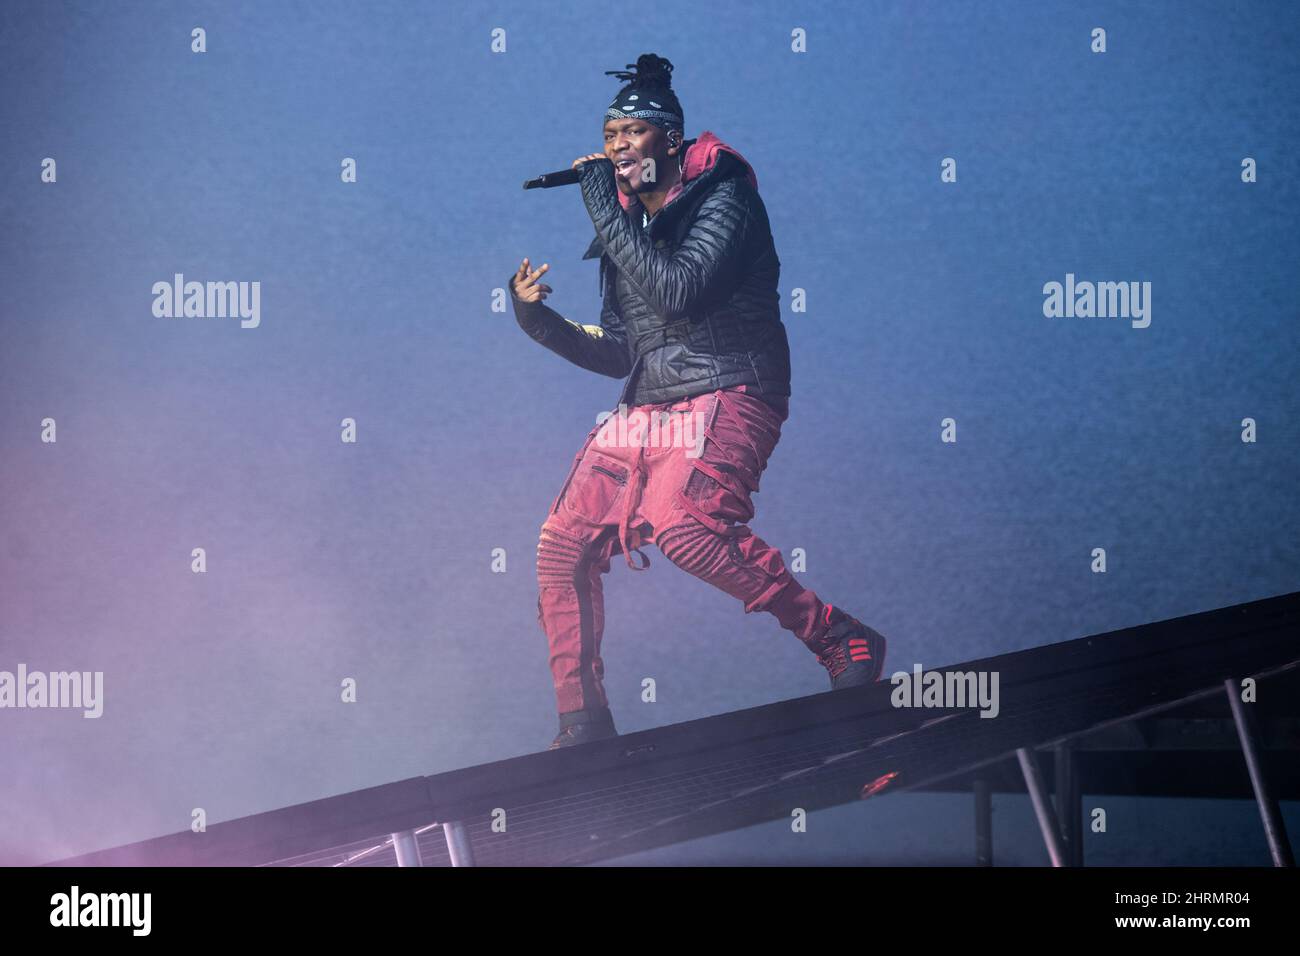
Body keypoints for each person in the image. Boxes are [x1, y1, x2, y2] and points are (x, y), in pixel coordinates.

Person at [508, 53, 888, 750]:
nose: (616, 145)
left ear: (670, 141)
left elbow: (681, 291)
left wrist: (600, 203)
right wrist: (536, 320)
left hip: (729, 387)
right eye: (609, 132)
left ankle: (837, 634)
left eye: (631, 132)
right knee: (561, 546)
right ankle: (583, 723)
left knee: (682, 525)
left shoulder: (725, 196)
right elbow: (624, 349)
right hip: (649, 404)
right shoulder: (623, 229)